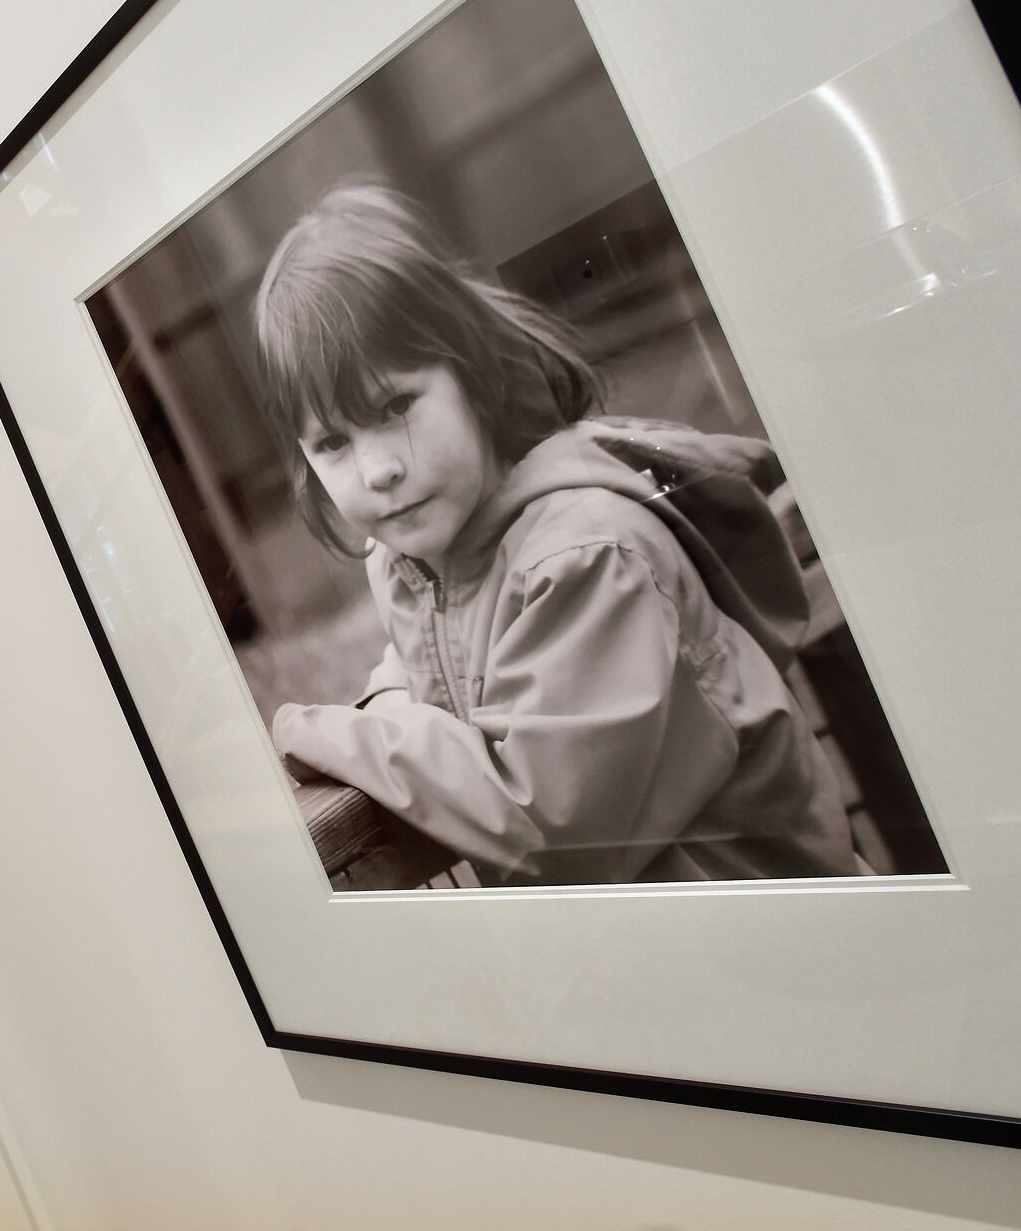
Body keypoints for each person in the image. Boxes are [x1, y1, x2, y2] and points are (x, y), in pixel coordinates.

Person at [254, 184, 860, 886]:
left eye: (395, 406)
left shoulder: (588, 557)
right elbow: (419, 662)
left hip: (786, 954)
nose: (379, 468)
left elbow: (544, 820)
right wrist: (387, 702)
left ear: (473, 373)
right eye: (332, 442)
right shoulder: (417, 559)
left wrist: (314, 730)